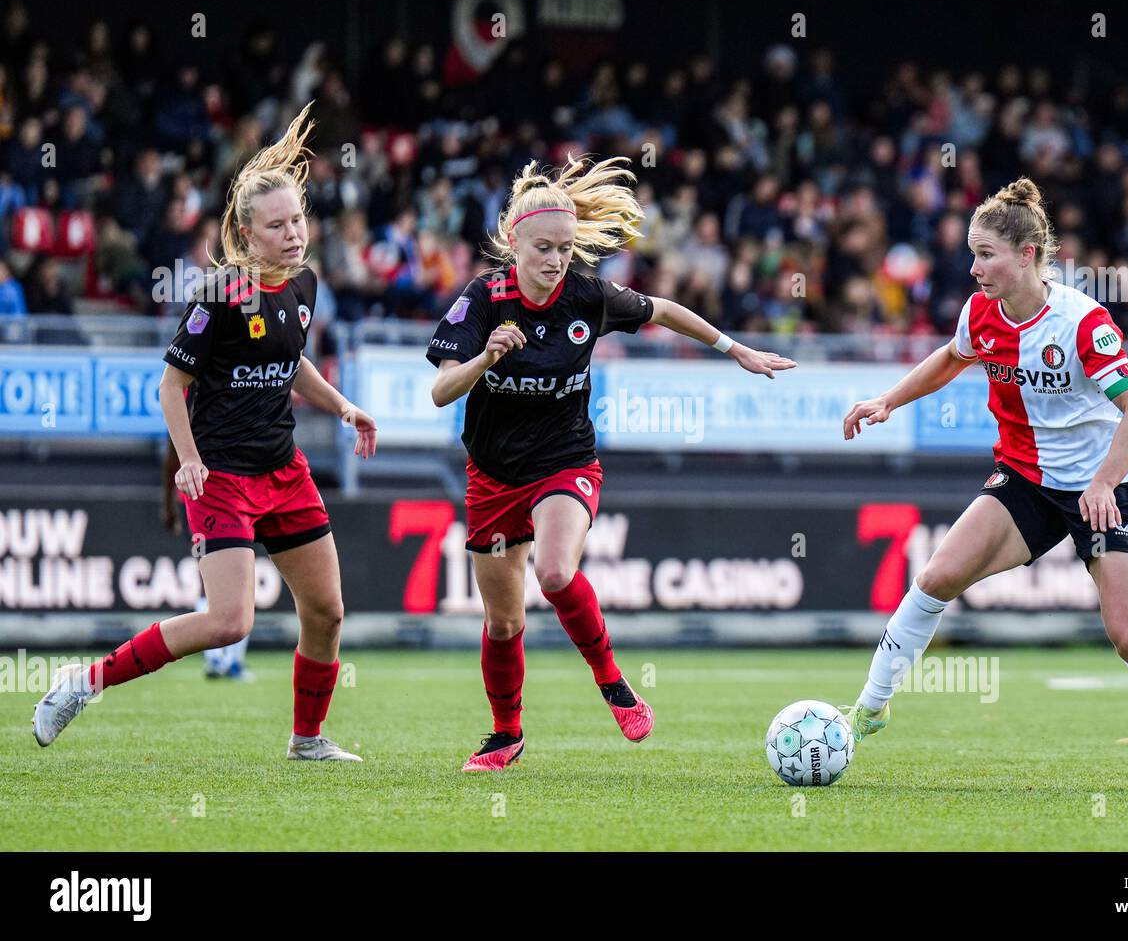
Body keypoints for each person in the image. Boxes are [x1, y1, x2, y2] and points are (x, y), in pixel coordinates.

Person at [841, 177, 1128, 791]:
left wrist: (1103, 483)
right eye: (971, 253)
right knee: (938, 575)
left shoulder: (1083, 321)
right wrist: (888, 401)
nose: (974, 268)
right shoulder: (980, 312)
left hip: (1104, 488)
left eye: (986, 255)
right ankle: (868, 707)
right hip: (1025, 478)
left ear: (1026, 256)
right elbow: (950, 357)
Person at [428, 154, 796, 771]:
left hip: (565, 463)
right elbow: (442, 391)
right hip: (492, 476)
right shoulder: (483, 300)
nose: (555, 260)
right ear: (514, 242)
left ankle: (613, 683)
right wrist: (485, 359)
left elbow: (664, 311)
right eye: (543, 247)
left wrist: (736, 350)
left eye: (566, 249)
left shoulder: (588, 296)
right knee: (501, 623)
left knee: (552, 571)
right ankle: (506, 734)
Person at [34, 104, 378, 760]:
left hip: (283, 469)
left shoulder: (304, 286)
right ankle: (83, 683)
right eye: (277, 226)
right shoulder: (218, 296)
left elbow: (291, 361)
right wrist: (188, 460)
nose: (293, 235)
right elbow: (170, 386)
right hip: (220, 475)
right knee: (229, 622)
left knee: (328, 613)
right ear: (247, 234)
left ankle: (307, 740)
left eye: (298, 221)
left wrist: (342, 407)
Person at [162, 439, 254, 681]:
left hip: (201, 504)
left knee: (211, 577)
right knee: (233, 578)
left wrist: (168, 503)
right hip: (211, 503)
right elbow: (173, 454)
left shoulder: (187, 409)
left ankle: (220, 660)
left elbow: (171, 456)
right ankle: (227, 661)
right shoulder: (198, 411)